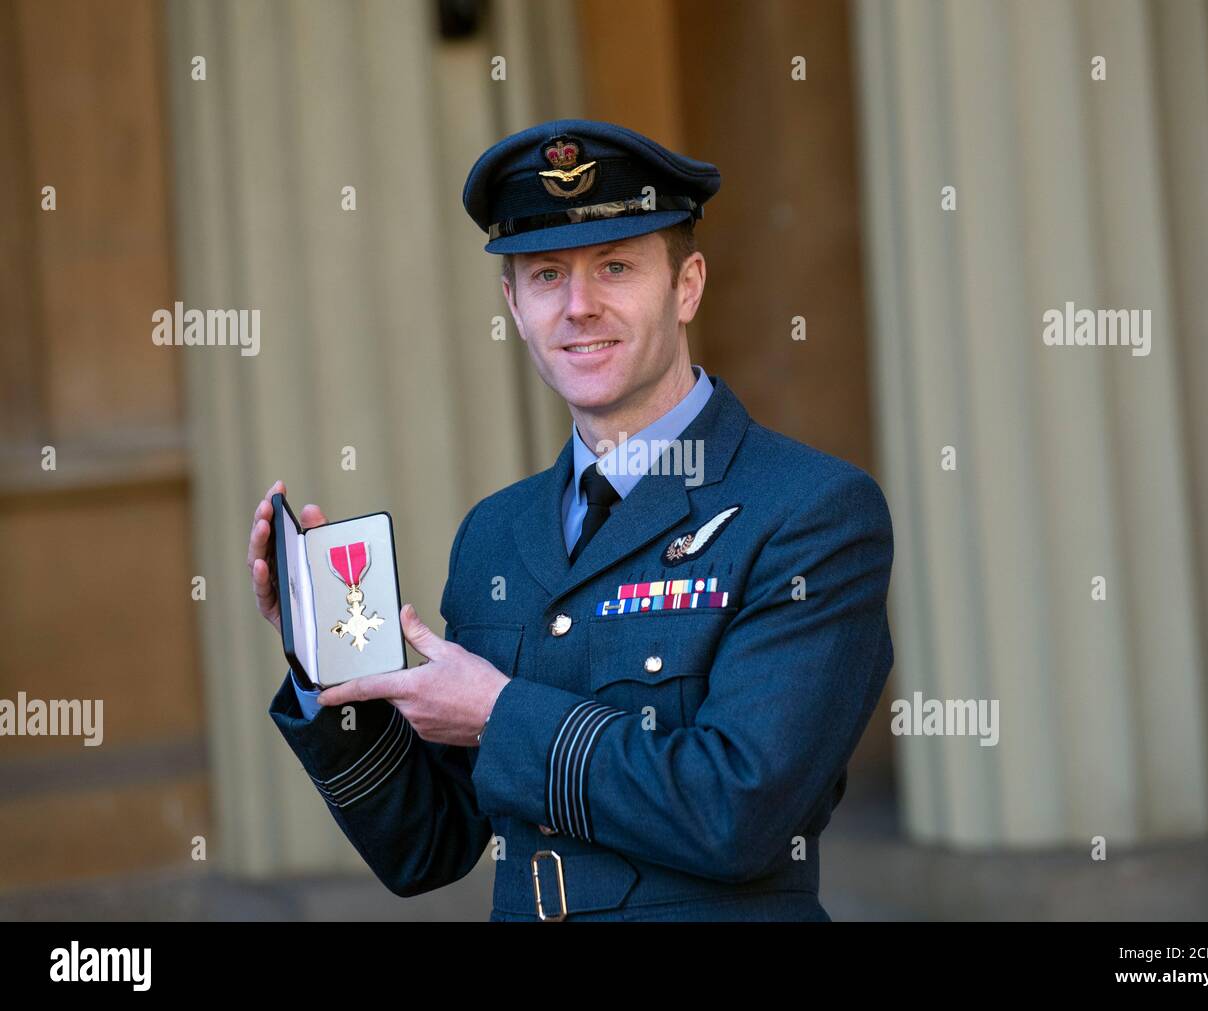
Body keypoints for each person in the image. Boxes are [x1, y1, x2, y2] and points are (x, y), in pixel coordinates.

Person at [248, 118, 894, 921]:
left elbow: (739, 812)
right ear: (514, 305)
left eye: (615, 266)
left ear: (687, 286)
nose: (579, 307)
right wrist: (327, 658)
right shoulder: (495, 532)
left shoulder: (809, 510)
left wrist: (498, 711)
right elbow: (432, 844)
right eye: (547, 275)